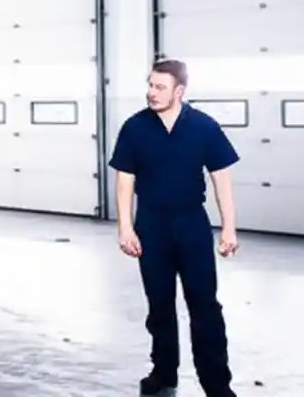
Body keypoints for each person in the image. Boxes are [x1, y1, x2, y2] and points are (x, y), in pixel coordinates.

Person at [110, 59, 240, 397]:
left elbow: (221, 177)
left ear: (179, 91)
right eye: (149, 85)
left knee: (205, 307)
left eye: (159, 87)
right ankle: (163, 373)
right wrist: (125, 227)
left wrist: (229, 228)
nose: (151, 93)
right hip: (151, 226)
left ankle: (217, 386)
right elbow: (125, 179)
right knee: (159, 306)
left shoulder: (203, 127)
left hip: (191, 225)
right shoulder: (134, 128)